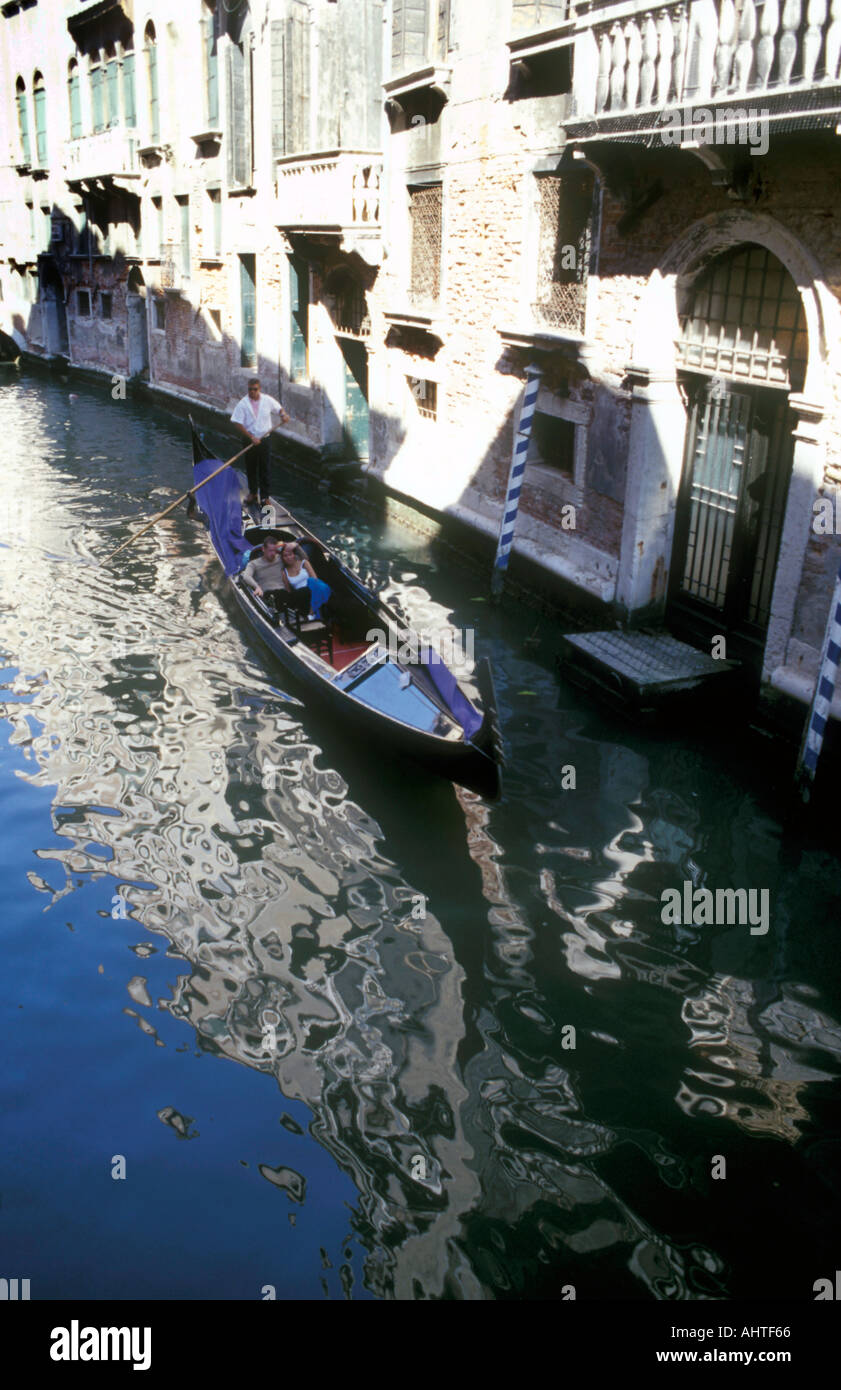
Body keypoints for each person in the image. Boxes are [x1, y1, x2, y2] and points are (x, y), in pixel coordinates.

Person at [230, 377, 290, 505]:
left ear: (259, 389)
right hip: (249, 440)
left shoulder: (267, 400)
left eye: (255, 389)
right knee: (251, 467)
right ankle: (252, 493)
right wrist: (251, 437)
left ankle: (265, 497)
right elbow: (236, 422)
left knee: (264, 468)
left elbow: (278, 408)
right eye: (250, 389)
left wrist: (283, 415)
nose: (252, 392)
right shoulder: (243, 403)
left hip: (264, 440)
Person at [280, 542, 332, 621]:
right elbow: (289, 591)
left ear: (294, 555)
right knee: (305, 591)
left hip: (313, 589)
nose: (288, 558)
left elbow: (315, 579)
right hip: (301, 595)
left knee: (313, 581)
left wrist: (295, 545)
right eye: (285, 556)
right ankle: (313, 612)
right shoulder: (284, 572)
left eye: (290, 554)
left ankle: (311, 613)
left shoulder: (304, 563)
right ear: (282, 558)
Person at [241, 534, 287, 610]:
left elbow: (300, 558)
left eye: (275, 551)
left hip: (284, 593)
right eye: (270, 551)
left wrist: (293, 545)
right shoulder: (254, 563)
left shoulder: (280, 558)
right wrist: (257, 587)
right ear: (263, 549)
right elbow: (246, 576)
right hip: (267, 594)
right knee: (280, 594)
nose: (273, 553)